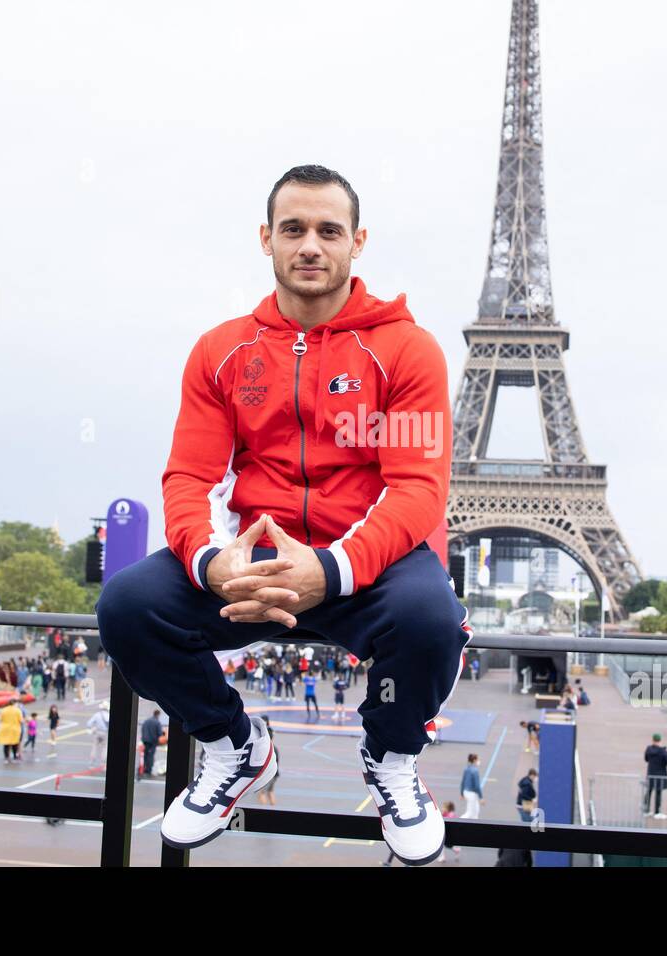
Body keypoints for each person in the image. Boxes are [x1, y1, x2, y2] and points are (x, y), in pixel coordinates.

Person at [96, 164, 468, 867]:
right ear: (266, 239)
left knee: (433, 621)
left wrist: (331, 568)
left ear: (358, 242)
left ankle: (391, 755)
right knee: (127, 606)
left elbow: (418, 489)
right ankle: (234, 743)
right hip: (256, 558)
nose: (310, 245)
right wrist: (214, 562)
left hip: (370, 562)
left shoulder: (409, 349)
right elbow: (189, 476)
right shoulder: (219, 351)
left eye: (329, 230)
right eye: (293, 229)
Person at [643, 732, 667, 819]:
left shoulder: (648, 749)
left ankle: (646, 810)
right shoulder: (662, 751)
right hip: (660, 775)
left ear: (653, 740)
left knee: (649, 791)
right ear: (660, 741)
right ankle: (657, 812)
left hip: (651, 773)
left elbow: (646, 759)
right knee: (658, 793)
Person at [0, 696, 23, 762]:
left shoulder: (4, 710)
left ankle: (6, 757)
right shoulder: (17, 710)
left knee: (6, 744)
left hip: (5, 729)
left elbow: (1, 719)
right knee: (15, 744)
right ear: (14, 703)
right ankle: (15, 757)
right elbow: (21, 720)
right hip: (15, 729)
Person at [140, 709, 164, 778]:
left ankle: (145, 770)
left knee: (146, 755)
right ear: (158, 715)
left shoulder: (146, 721)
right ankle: (148, 771)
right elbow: (159, 733)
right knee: (150, 756)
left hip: (145, 740)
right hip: (152, 741)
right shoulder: (157, 722)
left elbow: (143, 729)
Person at [460, 753, 483, 819]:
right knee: (470, 813)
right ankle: (457, 821)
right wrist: (481, 797)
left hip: (466, 792)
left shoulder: (466, 769)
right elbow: (477, 786)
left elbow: (463, 782)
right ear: (474, 760)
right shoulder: (475, 771)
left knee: (476, 811)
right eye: (478, 759)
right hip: (471, 794)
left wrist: (461, 793)